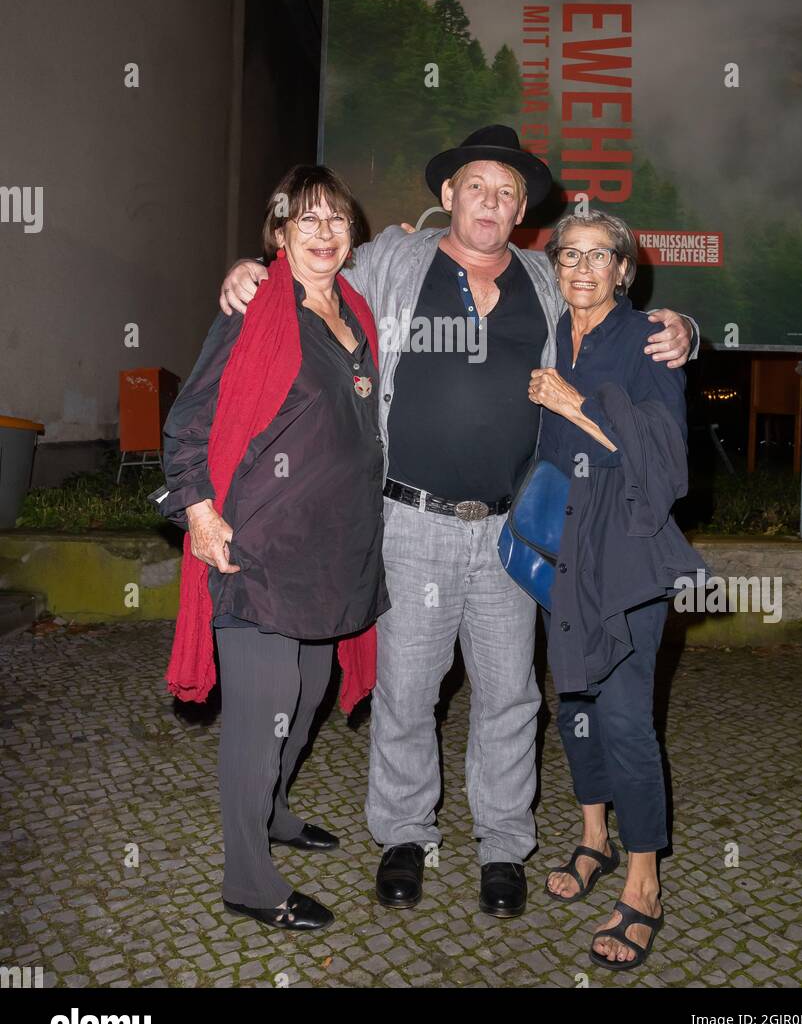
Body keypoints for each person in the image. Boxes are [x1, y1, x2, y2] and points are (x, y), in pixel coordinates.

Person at [219, 125, 697, 919]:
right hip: (410, 520)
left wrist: (683, 329)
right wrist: (250, 272)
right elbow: (312, 268)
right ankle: (404, 836)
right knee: (408, 691)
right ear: (448, 196)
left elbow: (610, 319)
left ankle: (504, 844)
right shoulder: (395, 262)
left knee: (511, 693)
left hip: (510, 529)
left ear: (522, 213)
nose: (492, 202)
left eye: (508, 193)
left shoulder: (547, 280)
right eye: (478, 186)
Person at [153, 165, 388, 932]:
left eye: (337, 220)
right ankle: (249, 879)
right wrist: (199, 511)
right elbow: (188, 421)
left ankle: (277, 812)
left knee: (310, 691)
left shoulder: (355, 307)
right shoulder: (254, 306)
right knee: (263, 709)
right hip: (255, 545)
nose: (324, 233)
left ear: (352, 235)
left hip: (332, 548)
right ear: (279, 235)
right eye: (306, 221)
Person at [528, 208, 705, 971]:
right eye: (571, 255)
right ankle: (594, 837)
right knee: (574, 702)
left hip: (626, 550)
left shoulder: (647, 341)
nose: (583, 269)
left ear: (624, 271)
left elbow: (665, 468)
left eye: (601, 257)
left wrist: (574, 404)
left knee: (627, 716)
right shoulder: (550, 328)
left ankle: (644, 883)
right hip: (562, 545)